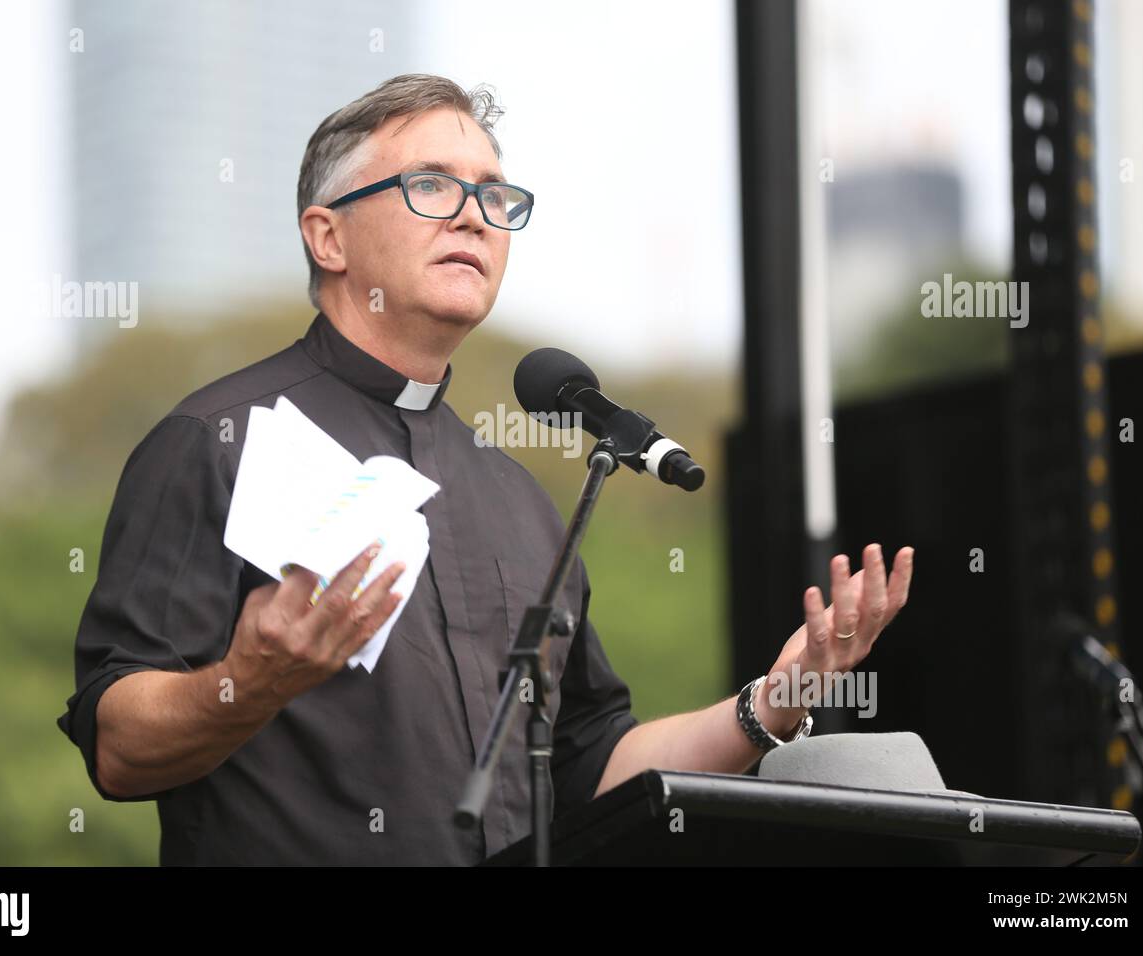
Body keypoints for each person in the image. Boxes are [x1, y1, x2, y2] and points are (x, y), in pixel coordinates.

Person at [57, 73, 914, 865]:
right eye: (431, 185)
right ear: (328, 236)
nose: (474, 216)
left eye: (494, 196)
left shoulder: (520, 499)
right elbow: (120, 748)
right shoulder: (218, 441)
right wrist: (250, 682)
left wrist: (770, 701)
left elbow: (589, 762)